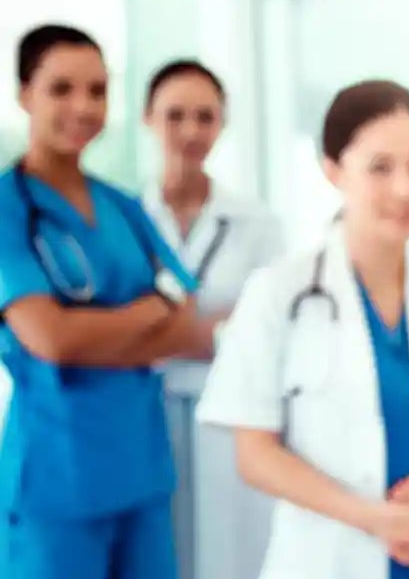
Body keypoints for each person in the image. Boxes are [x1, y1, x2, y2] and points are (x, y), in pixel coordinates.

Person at [196, 80, 409, 578]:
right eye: (380, 167)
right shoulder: (278, 293)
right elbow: (254, 454)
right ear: (333, 171)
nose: (405, 189)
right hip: (327, 559)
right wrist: (375, 519)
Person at [0, 24, 199, 578]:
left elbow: (187, 320)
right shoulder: (8, 210)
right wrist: (146, 315)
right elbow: (49, 339)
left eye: (97, 90)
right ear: (24, 94)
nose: (83, 107)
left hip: (141, 471)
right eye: (61, 89)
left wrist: (84, 337)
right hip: (55, 481)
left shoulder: (123, 206)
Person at [140, 59, 284, 579]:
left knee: (227, 553)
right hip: (143, 412)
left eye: (205, 117)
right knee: (156, 552)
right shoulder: (128, 217)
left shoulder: (257, 223)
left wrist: (153, 336)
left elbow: (266, 329)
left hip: (227, 415)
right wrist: (215, 329)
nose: (190, 131)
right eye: (175, 115)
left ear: (222, 124)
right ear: (148, 119)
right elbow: (106, 327)